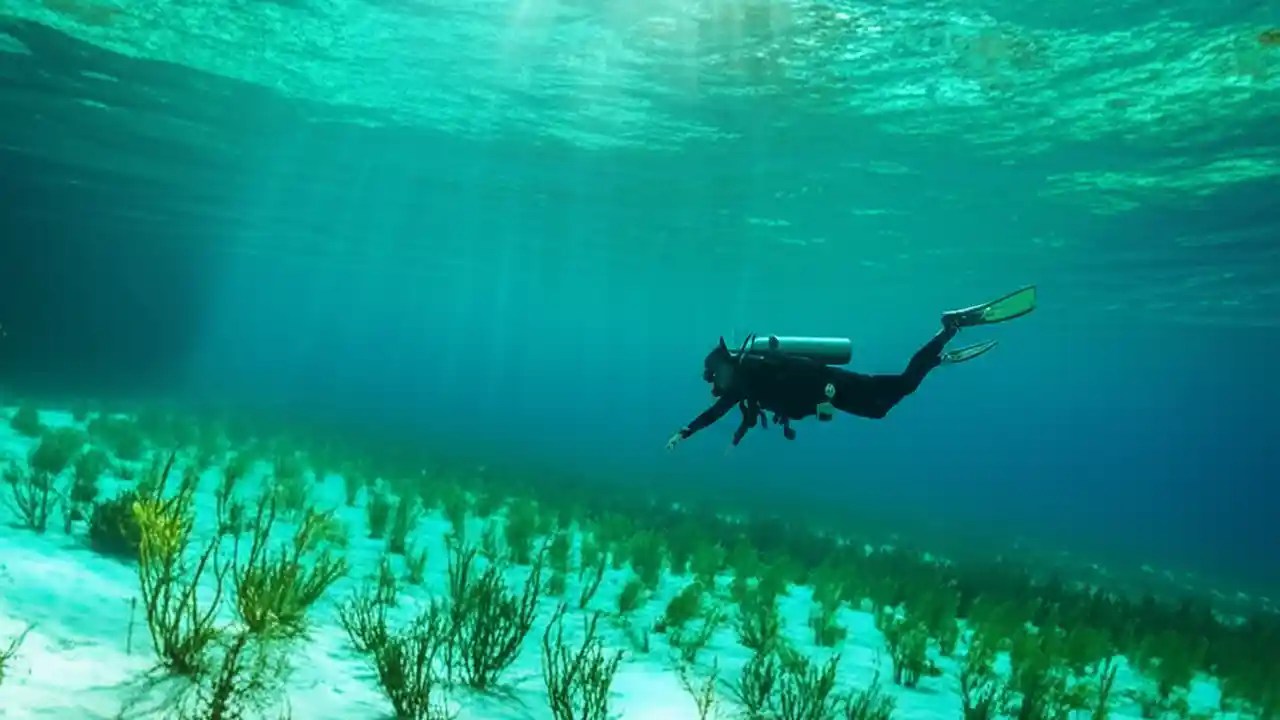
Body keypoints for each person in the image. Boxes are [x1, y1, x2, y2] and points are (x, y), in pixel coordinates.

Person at [665, 286, 1037, 449]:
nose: (716, 382)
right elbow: (717, 413)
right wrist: (687, 432)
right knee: (882, 409)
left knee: (901, 388)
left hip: (835, 384)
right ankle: (937, 356)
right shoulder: (741, 388)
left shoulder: (756, 369)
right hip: (828, 397)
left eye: (715, 374)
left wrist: (825, 391)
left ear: (726, 365)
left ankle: (948, 330)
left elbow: (801, 369)